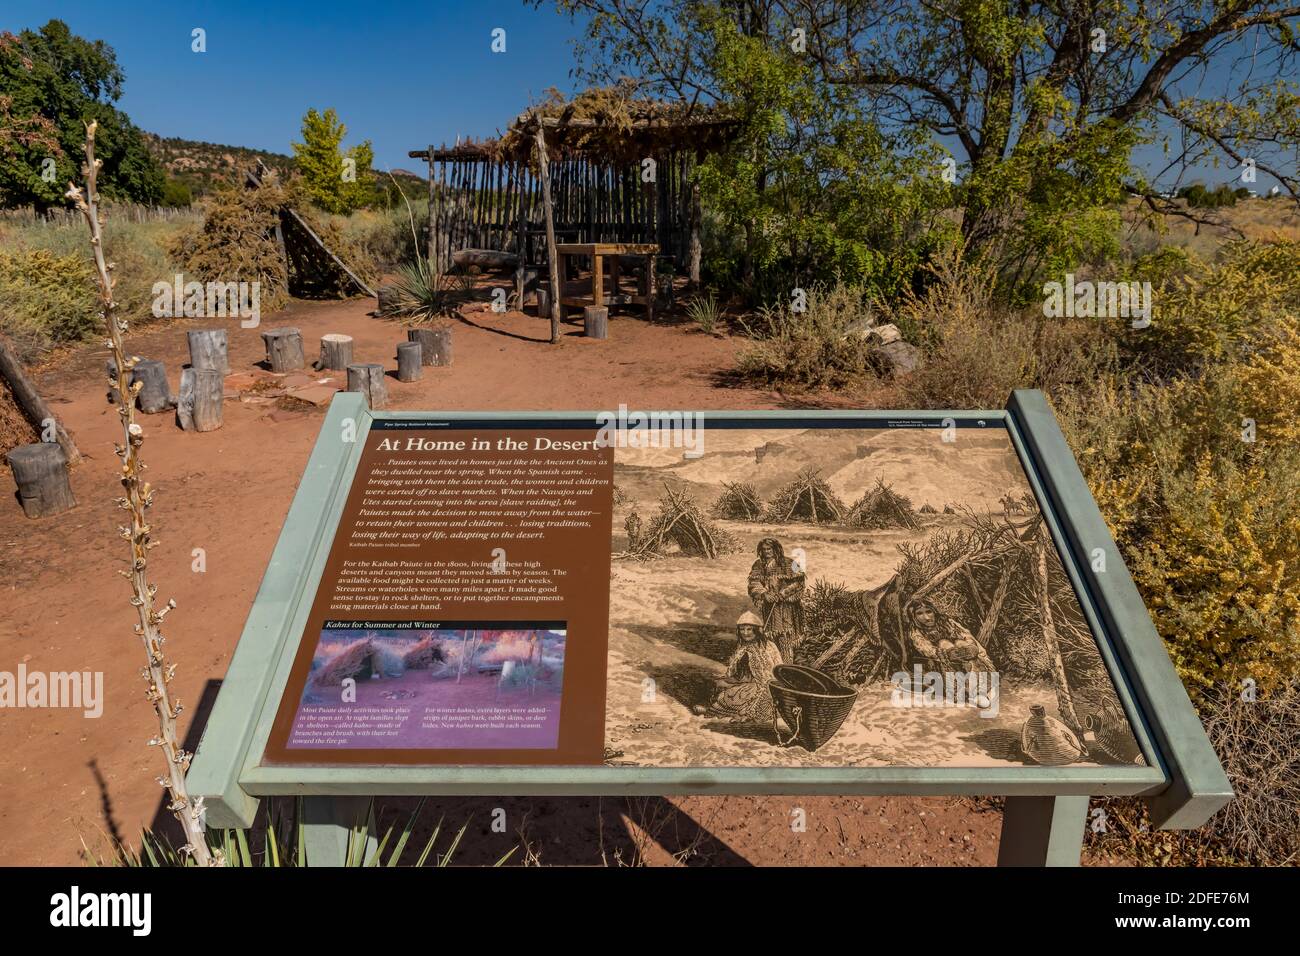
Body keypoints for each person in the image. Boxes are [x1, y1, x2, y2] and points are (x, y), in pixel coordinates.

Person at [693, 611, 785, 722]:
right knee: (724, 692)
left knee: (743, 696)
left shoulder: (768, 646)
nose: (745, 633)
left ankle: (746, 715)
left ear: (757, 630)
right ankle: (712, 711)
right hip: (746, 683)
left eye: (749, 629)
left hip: (765, 685)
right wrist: (728, 678)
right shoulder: (742, 647)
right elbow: (736, 671)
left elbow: (774, 670)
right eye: (742, 629)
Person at [747, 537, 806, 663]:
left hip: (787, 608)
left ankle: (787, 667)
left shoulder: (790, 562)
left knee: (785, 637)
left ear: (775, 550)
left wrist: (783, 594)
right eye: (764, 550)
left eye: (769, 549)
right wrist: (764, 594)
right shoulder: (758, 565)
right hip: (769, 608)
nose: (767, 552)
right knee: (771, 637)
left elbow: (799, 582)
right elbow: (754, 583)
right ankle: (773, 667)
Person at [904, 598, 993, 671]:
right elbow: (925, 648)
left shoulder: (947, 622)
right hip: (943, 658)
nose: (927, 617)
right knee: (944, 643)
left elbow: (965, 634)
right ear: (913, 617)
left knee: (959, 642)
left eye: (928, 611)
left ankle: (972, 668)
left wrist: (969, 642)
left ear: (934, 612)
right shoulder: (915, 631)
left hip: (962, 651)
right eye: (919, 613)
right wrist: (944, 653)